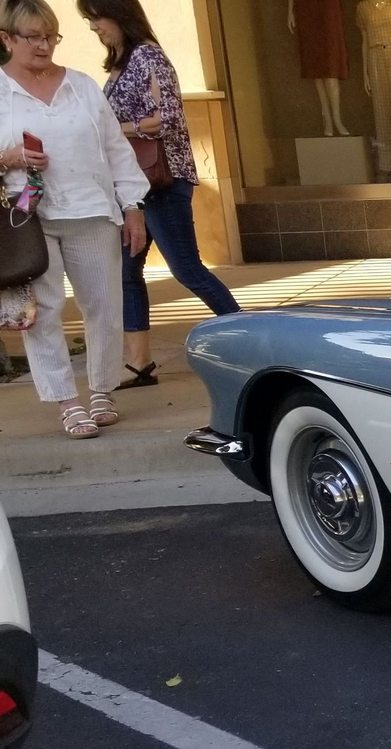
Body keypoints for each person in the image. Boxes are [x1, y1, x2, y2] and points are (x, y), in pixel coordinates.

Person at [2, 0, 148, 439]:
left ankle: (103, 390)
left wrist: (132, 206)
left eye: (50, 35)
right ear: (6, 39)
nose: (44, 45)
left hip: (91, 209)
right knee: (44, 312)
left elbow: (116, 151)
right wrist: (8, 157)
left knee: (104, 306)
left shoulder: (82, 86)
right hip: (28, 218)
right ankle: (67, 401)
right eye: (32, 37)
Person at [82, 0, 241, 390]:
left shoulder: (148, 56)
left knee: (187, 270)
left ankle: (247, 338)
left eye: (96, 18)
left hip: (162, 181)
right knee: (127, 272)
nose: (93, 28)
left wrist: (117, 128)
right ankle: (139, 363)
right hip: (136, 186)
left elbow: (167, 117)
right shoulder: (121, 63)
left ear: (118, 15)